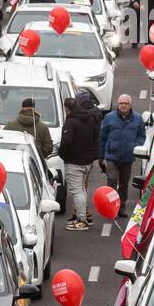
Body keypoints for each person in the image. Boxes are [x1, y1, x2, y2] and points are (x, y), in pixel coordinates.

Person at [98, 94, 145, 210]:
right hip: (111, 155)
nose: (123, 105)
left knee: (124, 183)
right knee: (112, 180)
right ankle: (111, 205)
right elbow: (102, 137)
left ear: (130, 105)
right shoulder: (109, 117)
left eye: (126, 103)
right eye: (121, 103)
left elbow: (142, 136)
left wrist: (135, 146)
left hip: (128, 157)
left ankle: (122, 205)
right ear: (118, 104)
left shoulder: (138, 119)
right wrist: (101, 156)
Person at [60, 97, 99, 229]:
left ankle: (82, 220)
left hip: (74, 161)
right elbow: (96, 137)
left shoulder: (70, 122)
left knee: (76, 191)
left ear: (66, 108)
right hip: (87, 160)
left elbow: (66, 142)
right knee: (81, 188)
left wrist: (62, 155)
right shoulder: (89, 119)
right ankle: (81, 216)